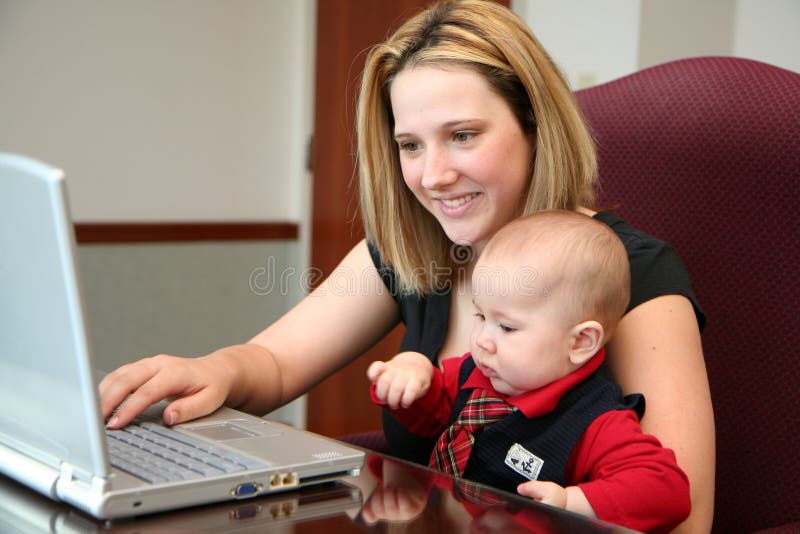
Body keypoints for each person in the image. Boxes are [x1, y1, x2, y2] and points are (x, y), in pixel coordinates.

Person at [99, 1, 714, 530]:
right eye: (410, 145)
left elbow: (686, 520)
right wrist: (206, 368)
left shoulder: (637, 276)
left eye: (463, 135)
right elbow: (275, 363)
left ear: (535, 125)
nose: (433, 175)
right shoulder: (416, 249)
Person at [368, 210, 690, 531]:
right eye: (480, 316)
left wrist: (574, 502)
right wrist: (412, 382)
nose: (483, 341)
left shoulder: (595, 423)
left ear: (580, 341)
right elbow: (434, 417)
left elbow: (668, 490)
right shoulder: (474, 374)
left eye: (506, 327)